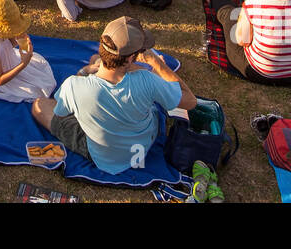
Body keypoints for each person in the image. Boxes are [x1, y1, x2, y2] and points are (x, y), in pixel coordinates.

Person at [30, 16, 195, 176]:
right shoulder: (148, 80)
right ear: (131, 58)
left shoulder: (73, 85)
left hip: (105, 156)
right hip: (143, 144)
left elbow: (61, 112)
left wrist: (84, 73)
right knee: (95, 61)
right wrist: (157, 64)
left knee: (40, 106)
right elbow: (190, 101)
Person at [0, 0, 56, 102]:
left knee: (44, 77)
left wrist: (21, 41)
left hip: (6, 62)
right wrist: (23, 64)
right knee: (40, 89)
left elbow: (5, 44)